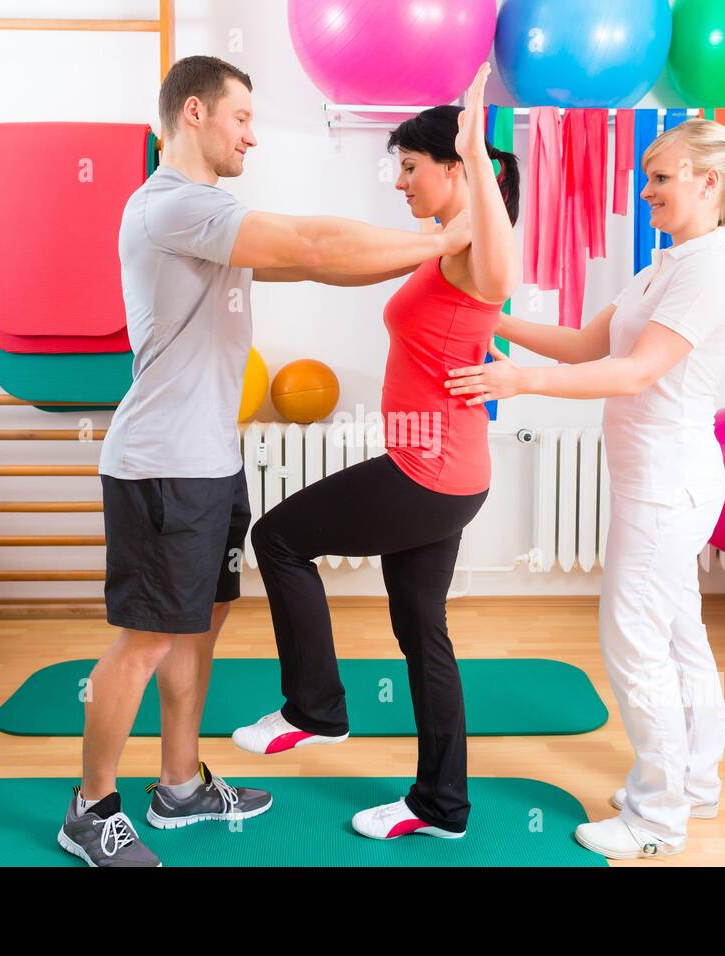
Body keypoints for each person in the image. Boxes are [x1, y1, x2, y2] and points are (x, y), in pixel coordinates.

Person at [59, 54, 474, 867]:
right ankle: (89, 808)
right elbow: (313, 243)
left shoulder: (210, 214)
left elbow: (319, 265)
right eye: (242, 117)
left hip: (210, 460)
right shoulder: (172, 205)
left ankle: (180, 786)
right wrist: (441, 237)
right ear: (193, 112)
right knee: (145, 641)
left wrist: (430, 251)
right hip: (161, 465)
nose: (252, 135)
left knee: (198, 631)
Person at [444, 118, 725, 859]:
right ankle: (694, 782)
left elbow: (635, 372)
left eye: (661, 177)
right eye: (647, 176)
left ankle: (656, 818)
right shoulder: (665, 266)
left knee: (635, 641)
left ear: (709, 182)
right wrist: (496, 320)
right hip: (657, 483)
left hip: (666, 487)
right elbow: (591, 345)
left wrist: (521, 383)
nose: (646, 190)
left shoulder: (712, 272)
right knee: (678, 634)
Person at [231, 64, 520, 841]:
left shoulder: (475, 245)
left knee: (276, 537)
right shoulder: (443, 244)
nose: (399, 181)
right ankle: (441, 805)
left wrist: (476, 147)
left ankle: (315, 710)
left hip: (428, 473)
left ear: (455, 168)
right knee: (423, 630)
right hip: (447, 471)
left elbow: (499, 275)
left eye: (411, 166)